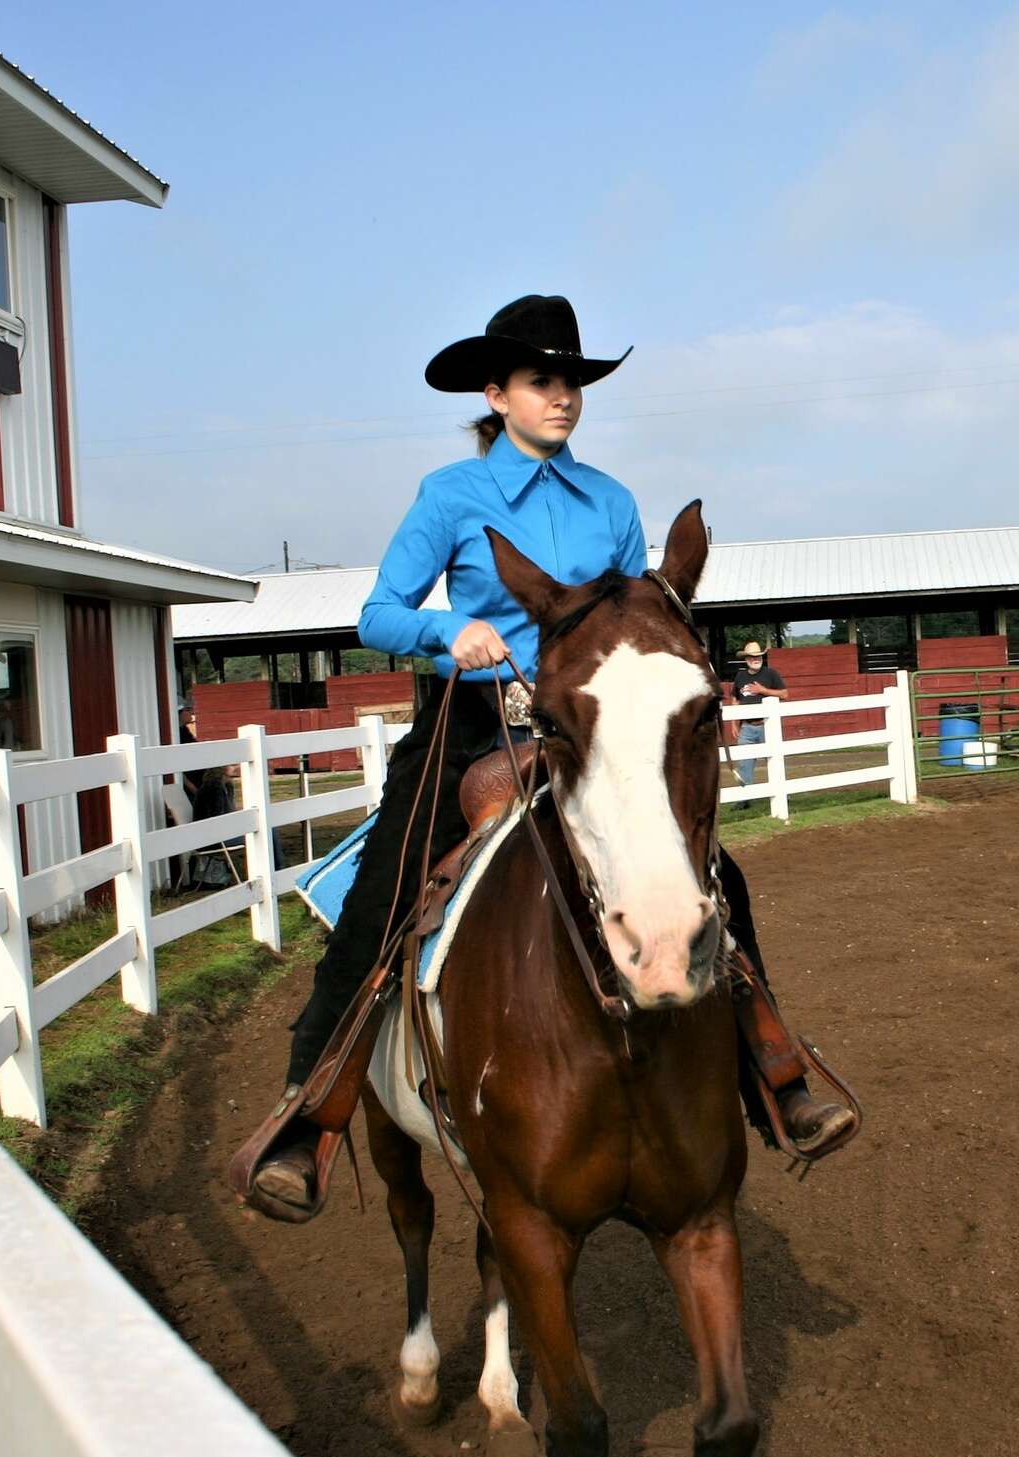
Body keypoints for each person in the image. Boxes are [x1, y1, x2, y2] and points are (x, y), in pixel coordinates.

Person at [243, 294, 853, 1222]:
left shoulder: (610, 500)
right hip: (474, 724)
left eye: (572, 380)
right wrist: (454, 628)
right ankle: (305, 1111)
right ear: (498, 393)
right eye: (542, 380)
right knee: (385, 890)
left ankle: (775, 1067)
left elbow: (632, 615)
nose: (562, 396)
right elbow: (377, 614)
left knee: (714, 872)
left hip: (590, 729)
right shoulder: (452, 495)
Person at [730, 641, 787, 793]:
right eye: (753, 657)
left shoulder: (770, 673)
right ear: (747, 659)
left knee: (775, 761)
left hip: (767, 725)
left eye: (759, 657)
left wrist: (763, 690)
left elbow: (784, 694)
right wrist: (734, 724)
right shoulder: (740, 676)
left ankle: (782, 796)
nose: (756, 659)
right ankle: (745, 797)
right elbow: (735, 699)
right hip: (747, 727)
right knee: (744, 763)